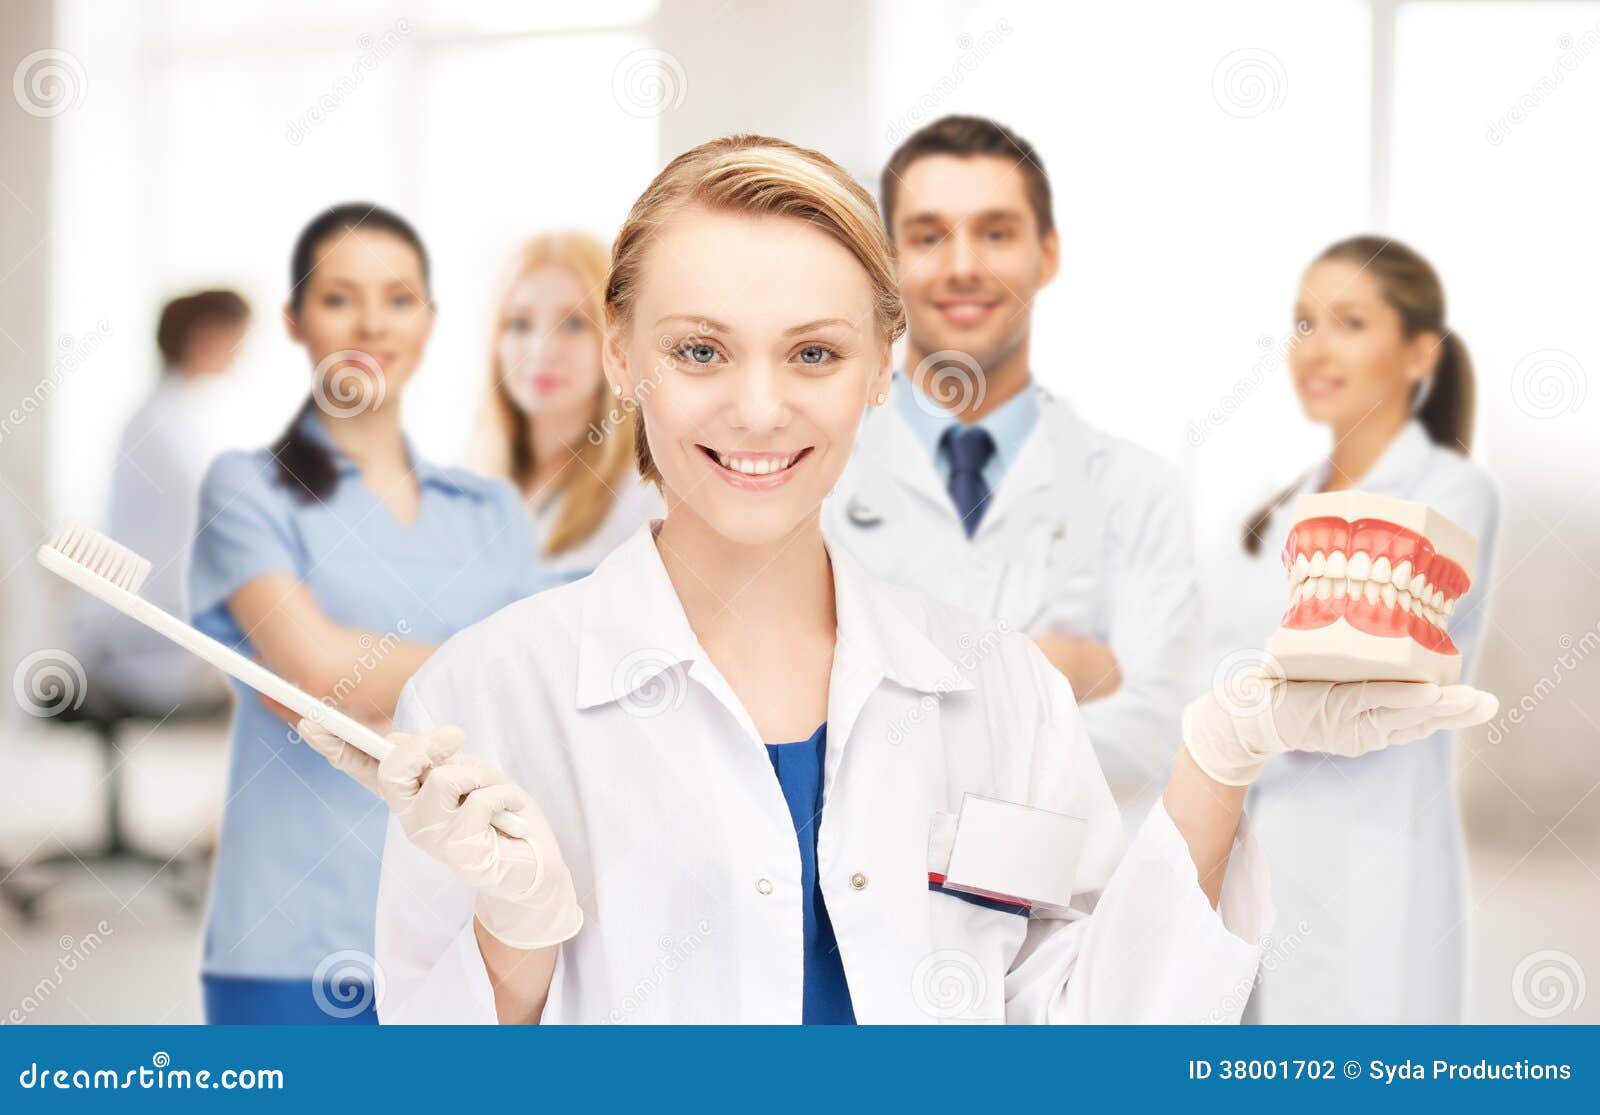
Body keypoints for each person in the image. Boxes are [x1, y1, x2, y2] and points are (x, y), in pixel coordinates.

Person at [297, 136, 1496, 1025]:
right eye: (699, 348)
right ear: (620, 354)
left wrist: (1215, 761)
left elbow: (1092, 1035)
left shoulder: (999, 695)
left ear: (882, 364)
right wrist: (515, 944)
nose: (759, 407)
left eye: (814, 352)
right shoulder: (494, 692)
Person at [187, 203, 540, 1024]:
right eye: (340, 297)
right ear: (294, 320)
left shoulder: (492, 510)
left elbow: (535, 702)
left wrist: (384, 672)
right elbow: (313, 673)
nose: (373, 321)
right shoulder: (246, 487)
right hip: (295, 928)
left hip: (470, 928)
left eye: (399, 297)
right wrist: (490, 663)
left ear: (431, 321)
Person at [823, 115, 1197, 798]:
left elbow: (1158, 739)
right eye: (929, 235)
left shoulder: (1136, 488)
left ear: (1046, 255)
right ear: (886, 261)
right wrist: (1044, 671)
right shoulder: (813, 474)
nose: (963, 265)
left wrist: (907, 707)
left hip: (1066, 901)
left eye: (995, 233)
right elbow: (795, 722)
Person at [1200, 236, 1499, 1024]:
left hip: (1378, 860)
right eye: (1303, 323)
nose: (1315, 348)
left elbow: (1372, 650)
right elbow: (1205, 674)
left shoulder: (1453, 491)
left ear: (1418, 353)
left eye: (1349, 322)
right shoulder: (1267, 515)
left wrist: (1249, 705)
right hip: (1257, 858)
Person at [77, 289, 250, 713]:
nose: (241, 352)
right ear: (205, 335)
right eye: (236, 337)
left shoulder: (174, 418)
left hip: (166, 620)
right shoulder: (156, 428)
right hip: (147, 637)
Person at [477, 232, 660, 590]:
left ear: (617, 344)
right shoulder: (475, 485)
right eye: (519, 323)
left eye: (574, 324)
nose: (542, 350)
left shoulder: (644, 496)